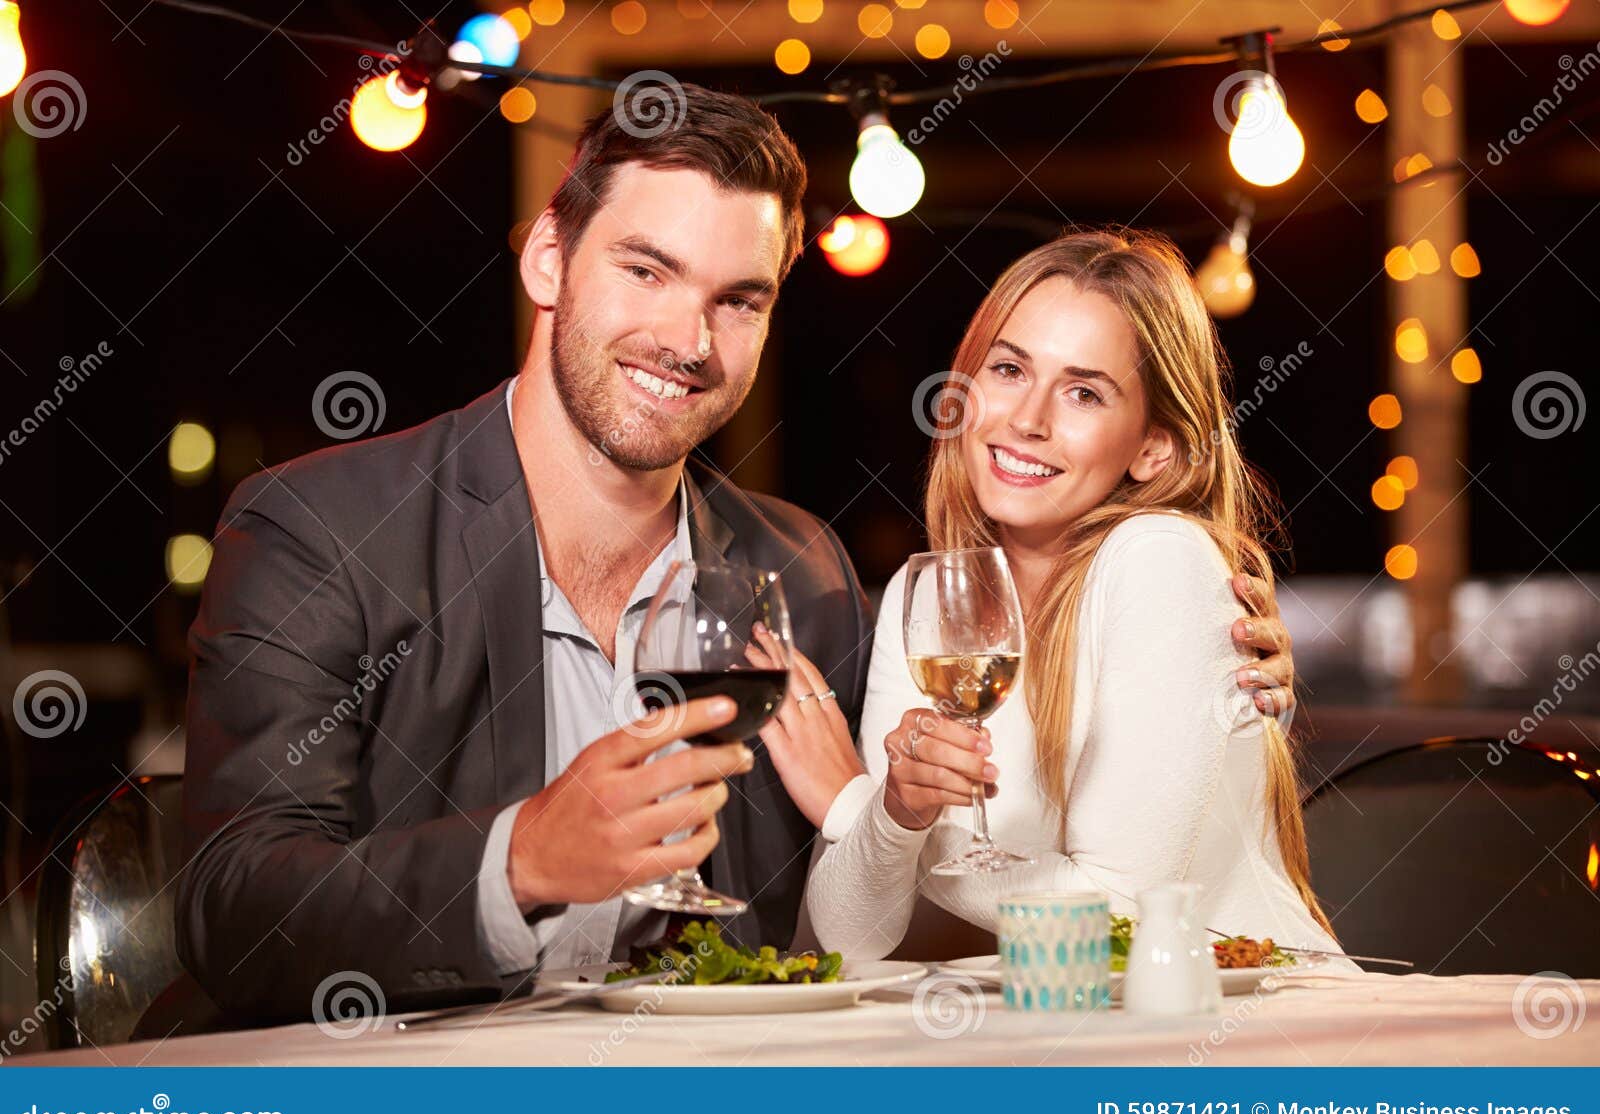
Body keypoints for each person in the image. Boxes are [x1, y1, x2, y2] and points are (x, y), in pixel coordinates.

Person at [169, 89, 1301, 1027]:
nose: (688, 339)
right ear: (550, 259)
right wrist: (520, 858)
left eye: (738, 299)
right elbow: (233, 908)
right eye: (646, 271)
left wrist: (1223, 686)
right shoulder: (322, 527)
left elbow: (885, 888)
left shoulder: (800, 571)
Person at [762, 230, 1345, 964]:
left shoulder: (1159, 557)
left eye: (1084, 391)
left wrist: (853, 806)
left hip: (1255, 1037)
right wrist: (895, 814)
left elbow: (1114, 914)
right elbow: (851, 939)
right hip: (1068, 1032)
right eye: (1008, 369)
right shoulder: (933, 596)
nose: (1027, 419)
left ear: (1153, 446)